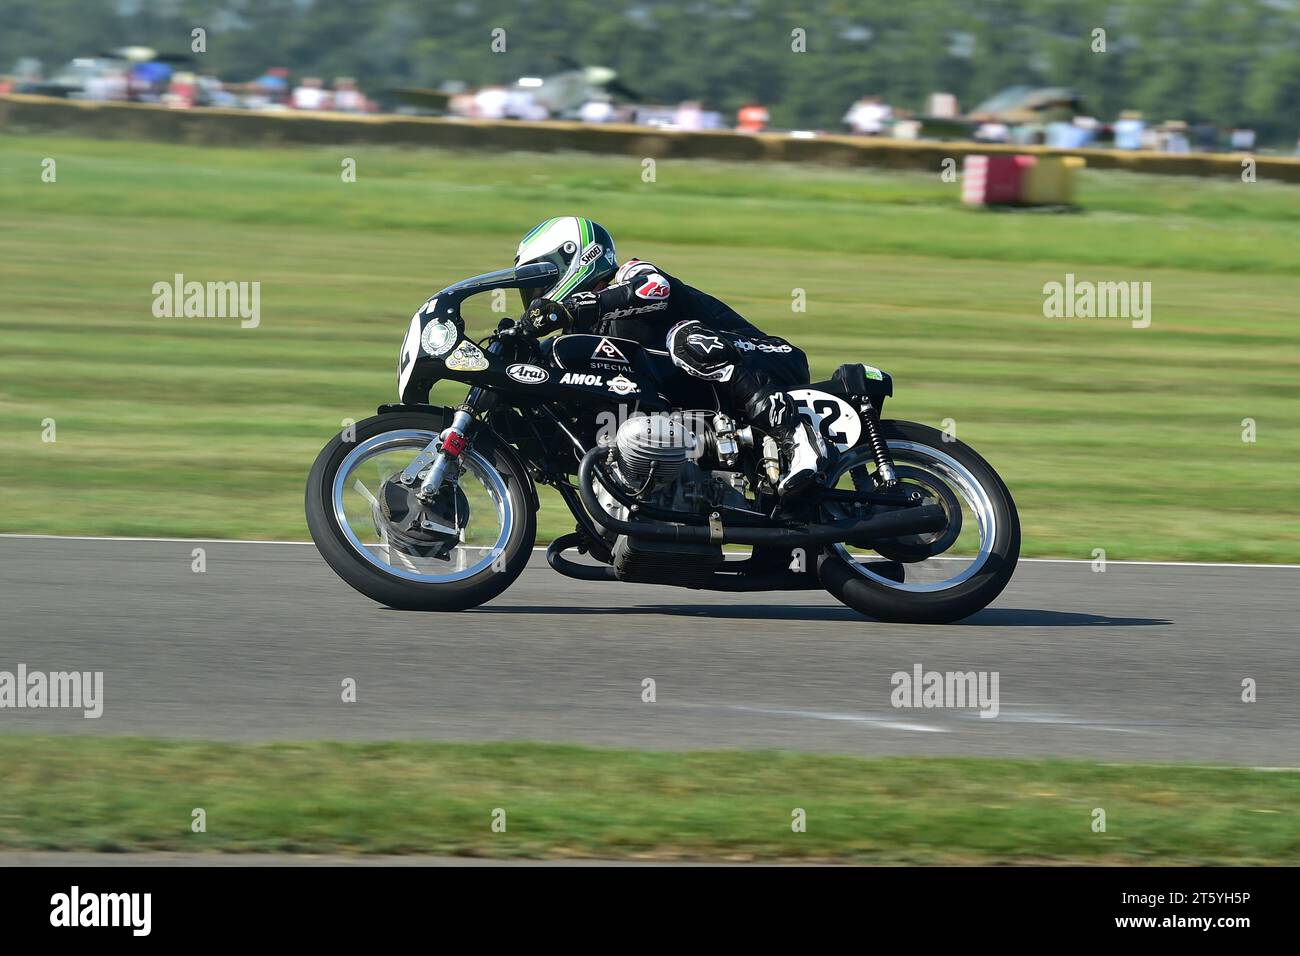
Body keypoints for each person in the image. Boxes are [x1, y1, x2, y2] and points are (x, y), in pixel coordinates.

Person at [513, 217, 825, 496]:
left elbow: (655, 289)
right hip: (710, 411)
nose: (537, 297)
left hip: (768, 358)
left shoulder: (630, 274)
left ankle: (796, 435)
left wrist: (576, 306)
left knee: (685, 339)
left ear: (578, 257)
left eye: (542, 280)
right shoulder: (584, 338)